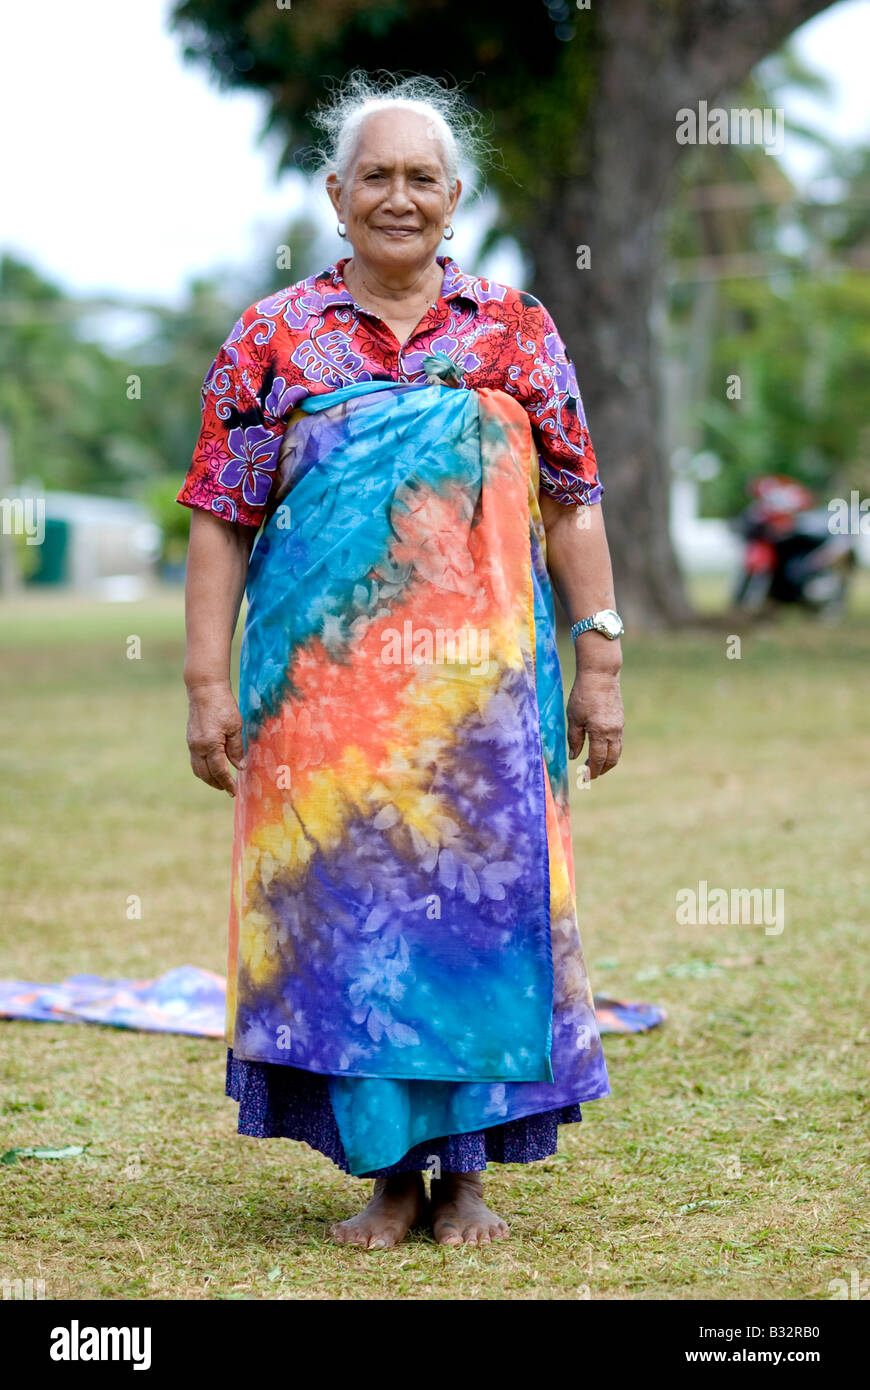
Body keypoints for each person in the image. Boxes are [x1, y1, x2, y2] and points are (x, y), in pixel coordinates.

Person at [178, 72, 624, 1250]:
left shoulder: (515, 329)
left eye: (421, 176)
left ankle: (468, 1174)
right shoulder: (274, 336)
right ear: (335, 194)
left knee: (480, 921)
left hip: (484, 710)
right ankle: (386, 1178)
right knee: (358, 924)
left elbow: (575, 502)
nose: (398, 195)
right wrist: (206, 683)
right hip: (325, 710)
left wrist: (602, 659)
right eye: (374, 174)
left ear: (455, 195)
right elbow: (221, 516)